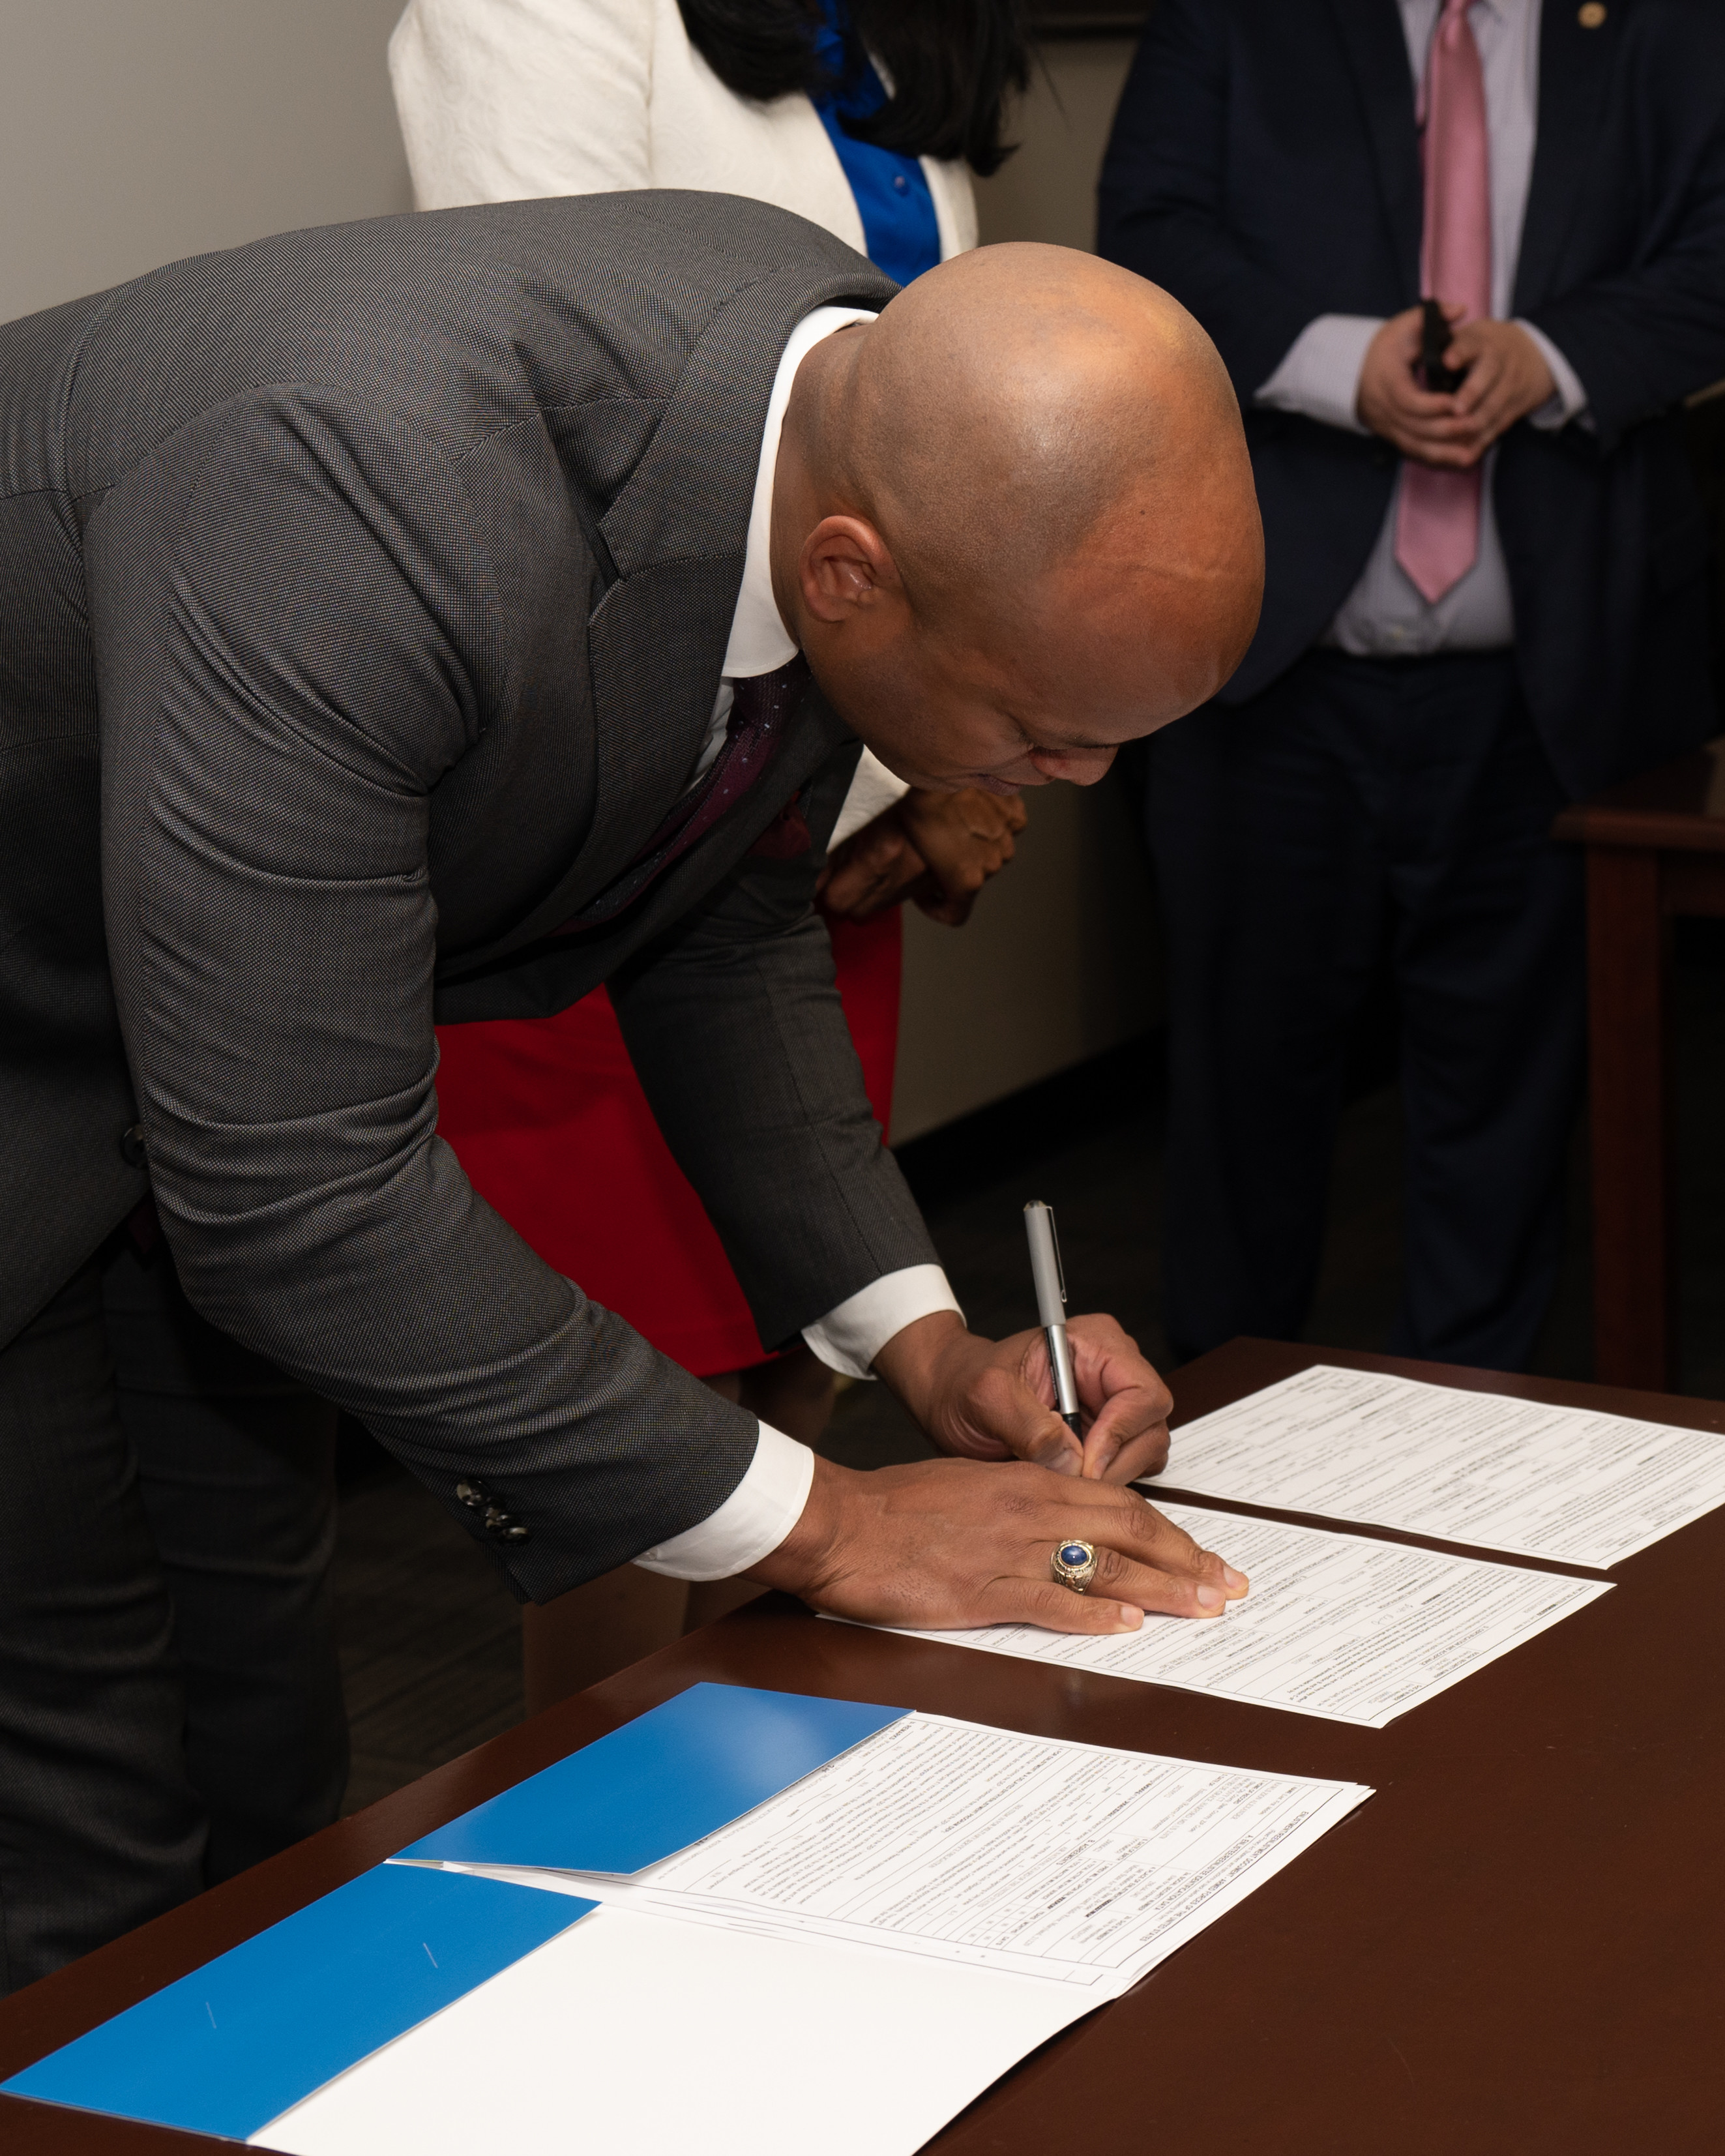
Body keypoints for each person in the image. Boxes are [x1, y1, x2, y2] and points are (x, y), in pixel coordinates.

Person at [0, 198, 1260, 1992]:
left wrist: (923, 1346)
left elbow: (719, 903)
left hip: (167, 1042)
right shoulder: (356, 490)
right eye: (1041, 726)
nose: (1067, 777)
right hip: (35, 1047)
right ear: (847, 574)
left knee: (256, 1753)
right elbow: (300, 1192)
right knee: (82, 1824)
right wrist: (835, 1524)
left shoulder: (808, 393)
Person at [389, 0, 1033, 1698]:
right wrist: (925, 756)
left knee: (789, 1327)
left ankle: (750, 1778)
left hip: (833, 817)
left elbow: (941, 437)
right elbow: (554, 429)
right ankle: (590, 1801)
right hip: (626, 808)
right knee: (635, 1396)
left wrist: (949, 746)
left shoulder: (899, 40)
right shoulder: (529, 12)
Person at [1099, 0, 1725, 1370]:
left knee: (1504, 1141)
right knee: (1241, 1126)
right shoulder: (1235, 22)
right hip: (1272, 683)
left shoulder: (1672, 25)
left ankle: (1466, 1487)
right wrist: (1342, 362)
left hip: (1563, 694)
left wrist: (1553, 355)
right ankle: (1219, 1473)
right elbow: (1146, 235)